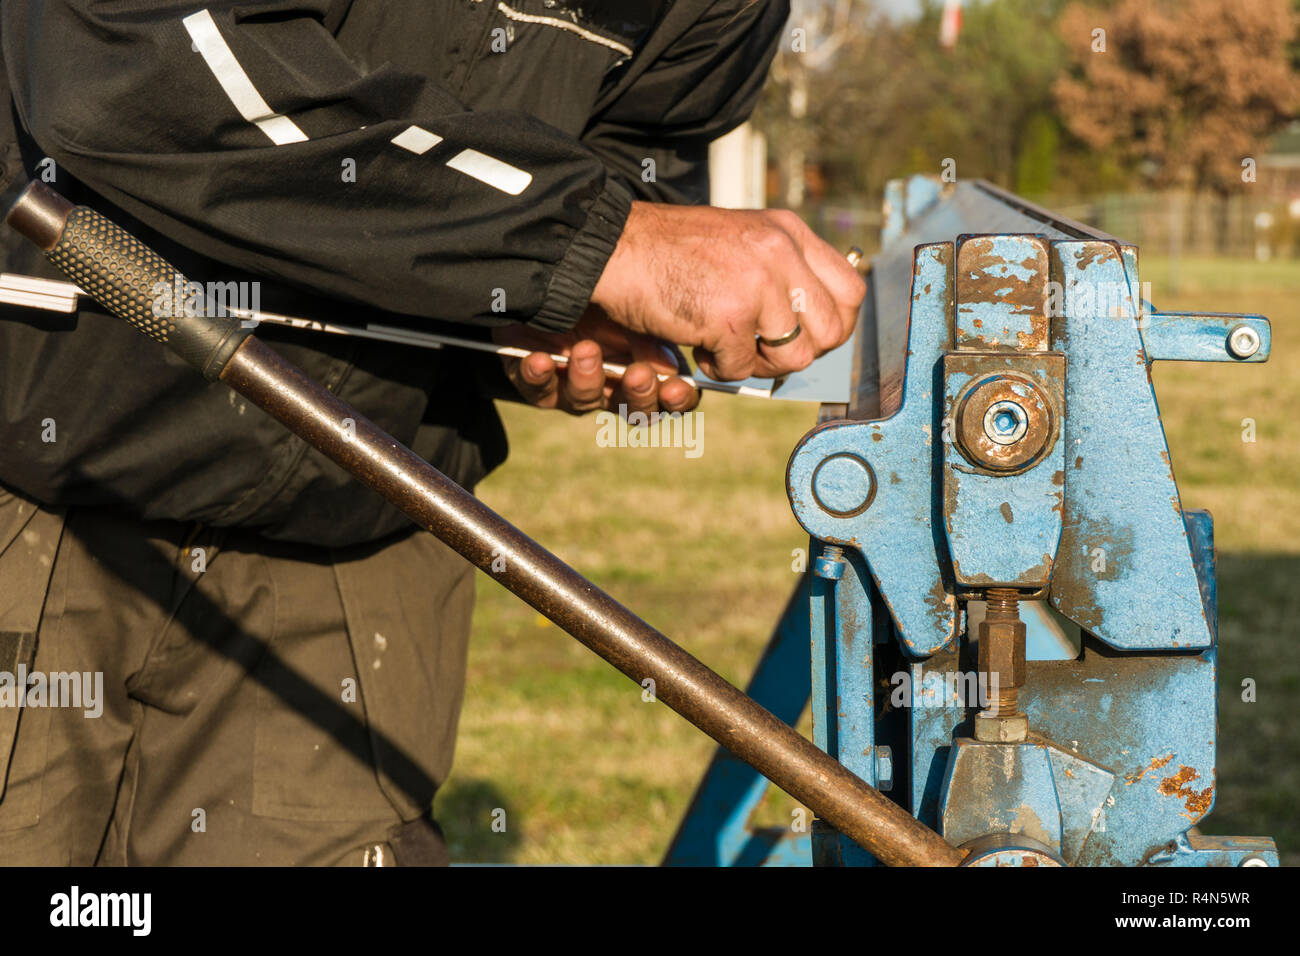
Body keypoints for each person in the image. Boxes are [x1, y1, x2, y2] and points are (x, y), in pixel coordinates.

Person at [0, 0, 862, 865]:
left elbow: (634, 160)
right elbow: (130, 62)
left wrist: (559, 307)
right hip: (42, 478)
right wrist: (594, 242)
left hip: (365, 509)